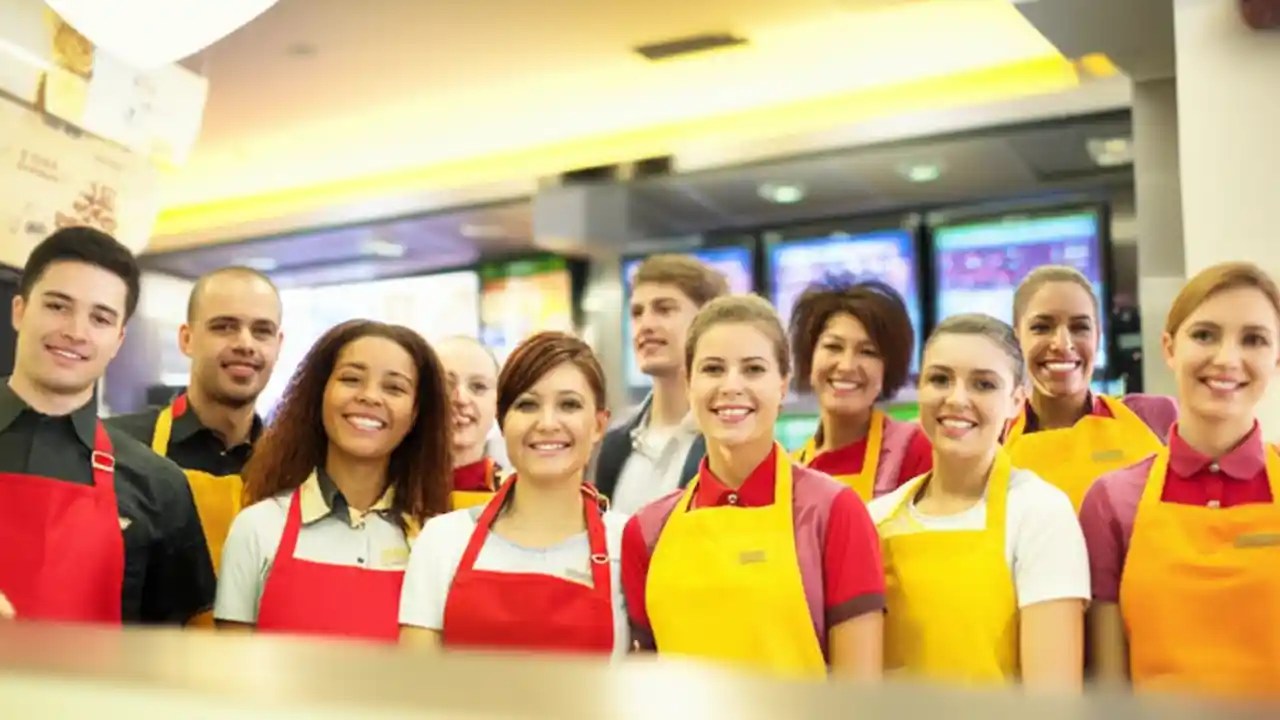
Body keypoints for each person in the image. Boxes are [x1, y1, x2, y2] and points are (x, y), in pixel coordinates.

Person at [623, 295, 884, 680]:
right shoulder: (646, 532)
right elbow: (646, 684)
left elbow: (859, 695)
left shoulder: (835, 512)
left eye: (753, 369)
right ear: (689, 383)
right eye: (713, 369)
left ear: (782, 384)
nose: (731, 386)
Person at [1081, 262, 1280, 698]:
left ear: (1277, 358)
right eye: (1204, 335)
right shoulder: (1112, 501)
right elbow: (1112, 697)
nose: (1226, 358)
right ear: (1169, 348)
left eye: (1254, 339)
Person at [0, 227, 214, 624]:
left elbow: (170, 645)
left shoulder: (159, 485)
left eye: (100, 318)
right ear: (19, 310)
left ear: (118, 340)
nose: (75, 332)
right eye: (57, 306)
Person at [868, 314, 1089, 689]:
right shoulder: (875, 519)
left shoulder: (1040, 514)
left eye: (983, 384)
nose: (956, 399)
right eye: (940, 379)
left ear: (1016, 401)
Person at [213, 320, 451, 642]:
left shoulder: (436, 542)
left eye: (394, 388)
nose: (370, 396)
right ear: (320, 394)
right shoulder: (258, 528)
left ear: (416, 413)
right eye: (351, 379)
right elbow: (232, 665)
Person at [400, 331, 627, 656]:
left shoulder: (629, 545)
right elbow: (416, 680)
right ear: (503, 422)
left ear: (599, 425)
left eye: (569, 405)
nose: (547, 423)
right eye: (527, 405)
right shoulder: (442, 540)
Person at [109, 266, 283, 577]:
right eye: (224, 327)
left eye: (262, 331)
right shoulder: (115, 449)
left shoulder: (293, 465)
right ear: (187, 339)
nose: (246, 343)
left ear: (278, 345)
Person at [1003, 266, 1177, 510]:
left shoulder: (1154, 417)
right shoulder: (994, 434)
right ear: (1017, 339)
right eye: (1042, 327)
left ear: (1098, 336)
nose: (1062, 344)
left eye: (1079, 328)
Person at [594, 255, 728, 515]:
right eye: (637, 313)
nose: (645, 325)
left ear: (708, 322)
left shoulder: (730, 442)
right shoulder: (614, 447)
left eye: (664, 309)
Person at [789, 280, 932, 499]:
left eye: (868, 352)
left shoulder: (915, 450)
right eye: (833, 347)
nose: (846, 366)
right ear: (809, 357)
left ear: (888, 368)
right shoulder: (790, 471)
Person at [437, 336, 502, 509]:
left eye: (478, 386)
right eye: (445, 385)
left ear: (498, 404)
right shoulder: (386, 490)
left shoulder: (518, 497)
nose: (461, 399)